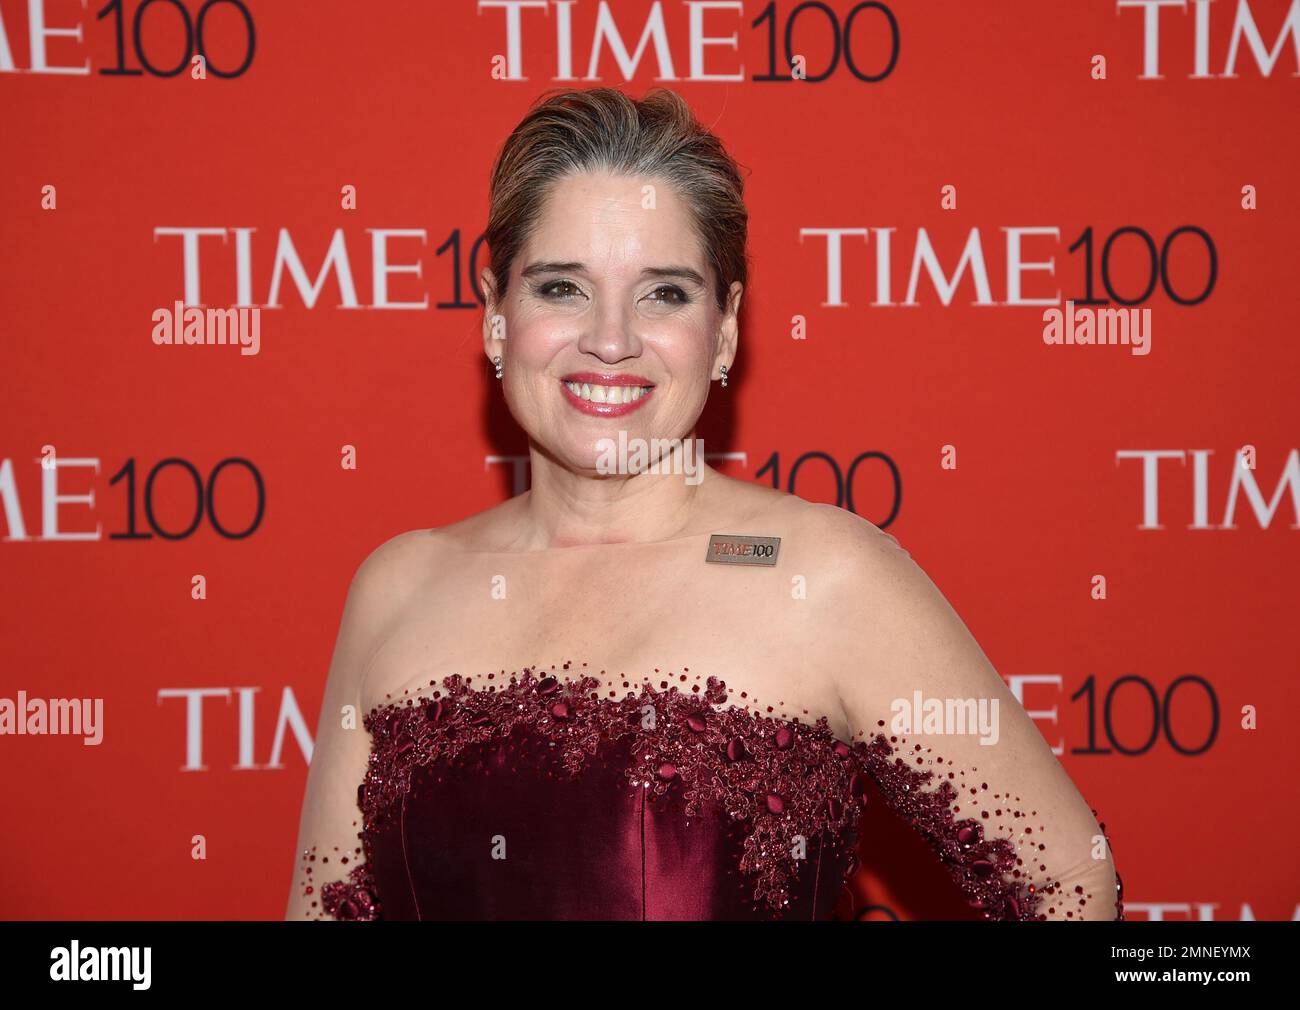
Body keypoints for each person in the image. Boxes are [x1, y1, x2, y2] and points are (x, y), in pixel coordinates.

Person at [285, 86, 1123, 922]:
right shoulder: (398, 589)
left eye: (665, 294)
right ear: (495, 315)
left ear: (724, 331)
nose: (610, 341)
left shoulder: (827, 578)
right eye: (562, 288)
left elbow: (1069, 886)